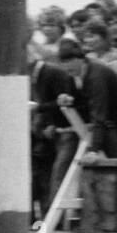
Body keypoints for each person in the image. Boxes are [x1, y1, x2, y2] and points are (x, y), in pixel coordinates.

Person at [56, 37, 117, 159]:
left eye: (71, 60)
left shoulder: (96, 77)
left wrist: (93, 150)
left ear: (81, 59)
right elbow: (77, 99)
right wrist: (67, 99)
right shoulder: (73, 74)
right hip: (111, 122)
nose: (67, 66)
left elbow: (98, 113)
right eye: (64, 62)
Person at [30, 49, 78, 221]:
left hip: (68, 131)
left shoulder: (51, 74)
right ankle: (51, 216)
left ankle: (53, 219)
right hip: (51, 133)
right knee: (51, 175)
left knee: (58, 173)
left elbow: (63, 102)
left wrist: (46, 117)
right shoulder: (38, 77)